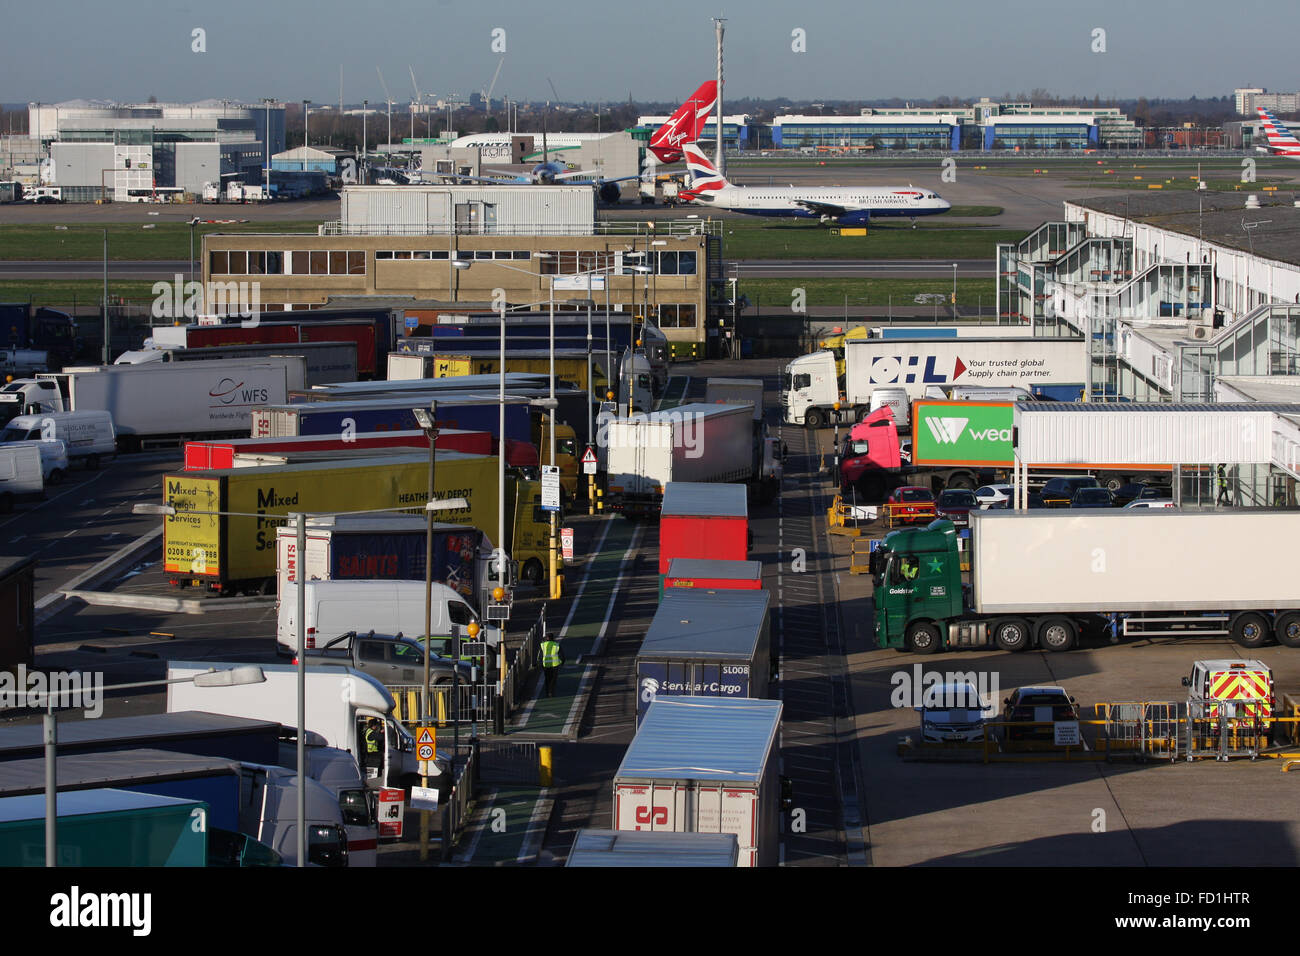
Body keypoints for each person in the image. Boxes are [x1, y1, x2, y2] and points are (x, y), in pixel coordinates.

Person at [538, 633, 566, 698]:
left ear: (546, 638)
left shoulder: (543, 645)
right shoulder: (557, 645)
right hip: (555, 665)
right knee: (553, 679)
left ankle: (547, 692)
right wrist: (562, 662)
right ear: (553, 638)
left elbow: (540, 656)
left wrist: (540, 664)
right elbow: (562, 655)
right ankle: (551, 691)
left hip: (546, 665)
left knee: (547, 679)